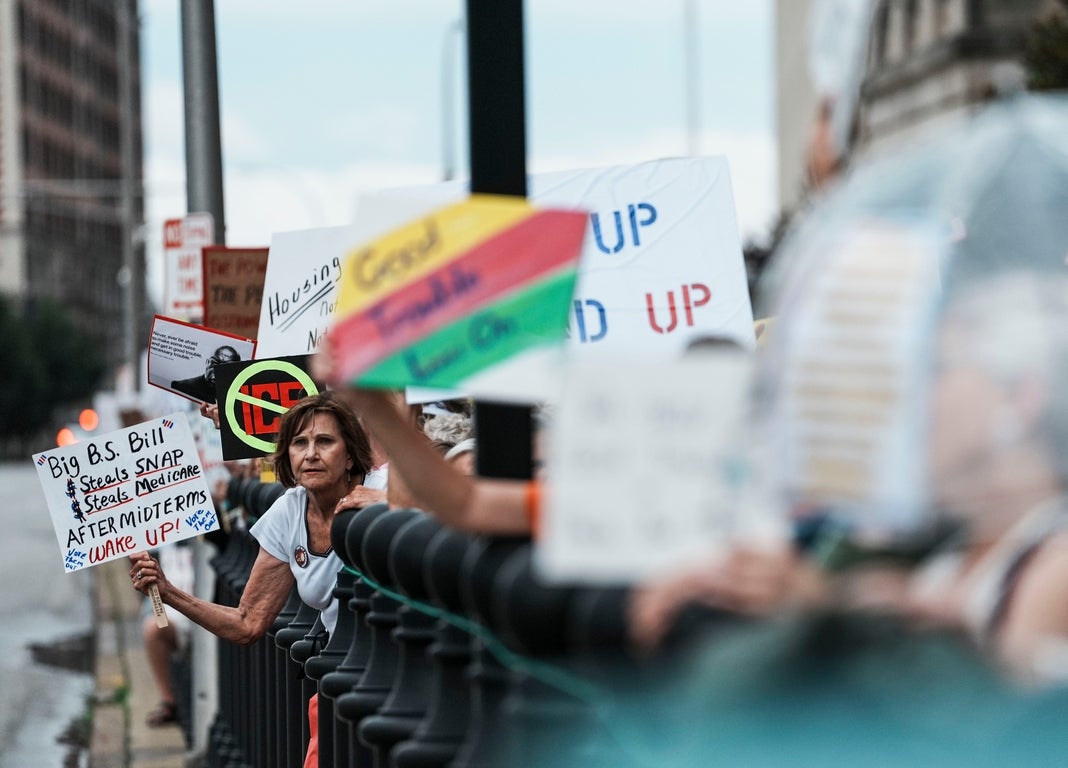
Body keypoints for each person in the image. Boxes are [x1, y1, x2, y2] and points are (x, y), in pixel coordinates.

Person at [129, 392, 382, 764]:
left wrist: (393, 505)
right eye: (299, 443)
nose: (310, 453)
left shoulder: (386, 488)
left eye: (324, 441)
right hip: (341, 684)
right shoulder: (289, 510)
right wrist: (168, 592)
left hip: (395, 686)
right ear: (288, 456)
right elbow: (247, 624)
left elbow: (452, 508)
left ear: (349, 455)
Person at [171, 344, 241, 404]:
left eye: (225, 367)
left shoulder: (237, 397)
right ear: (207, 362)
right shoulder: (182, 387)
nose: (217, 371)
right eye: (214, 363)